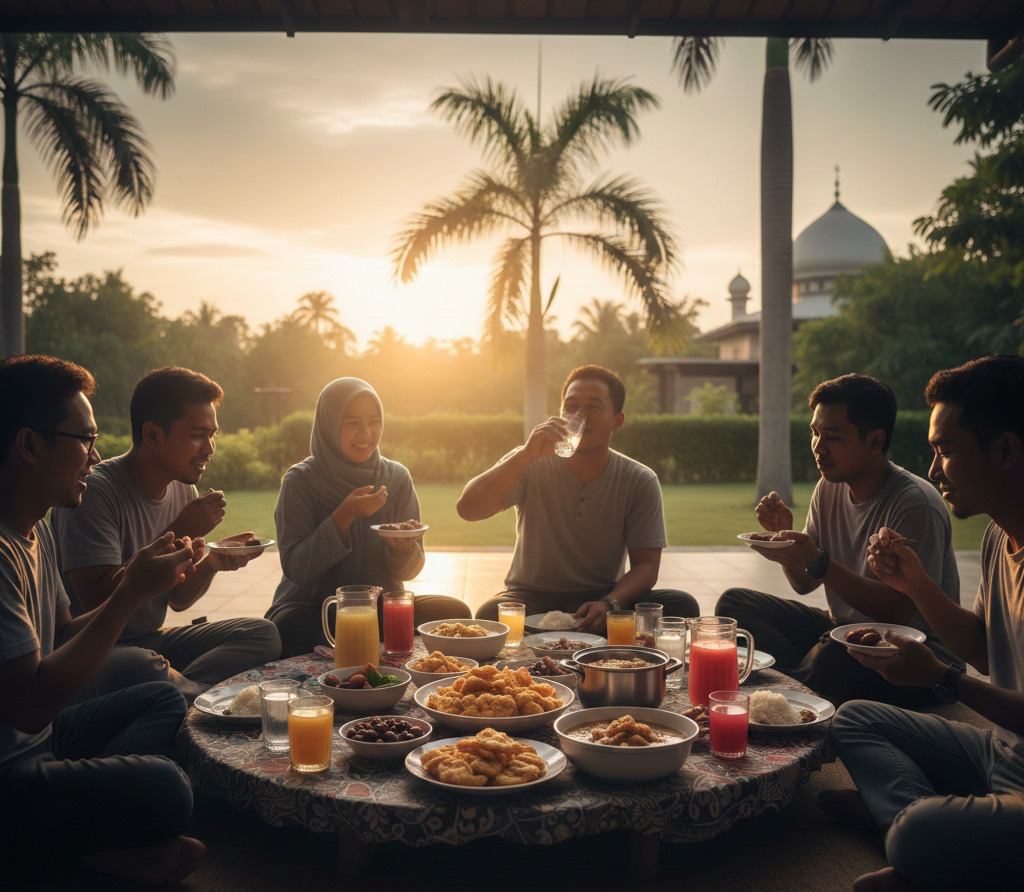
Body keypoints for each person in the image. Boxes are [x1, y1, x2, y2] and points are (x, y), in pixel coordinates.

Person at [0, 354, 206, 885]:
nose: (94, 456)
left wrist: (143, 583)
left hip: (45, 738)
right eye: (84, 440)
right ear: (28, 444)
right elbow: (30, 705)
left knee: (163, 698)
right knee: (168, 787)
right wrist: (130, 591)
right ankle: (73, 847)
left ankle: (92, 828)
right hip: (10, 769)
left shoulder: (36, 528)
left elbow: (66, 633)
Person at [822, 355, 1024, 892]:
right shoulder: (1000, 537)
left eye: (946, 450)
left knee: (917, 835)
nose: (934, 469)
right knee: (854, 718)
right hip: (1001, 749)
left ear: (1005, 450)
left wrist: (943, 679)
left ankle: (915, 835)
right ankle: (932, 834)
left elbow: (965, 670)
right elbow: (986, 649)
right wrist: (913, 583)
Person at [715, 373, 960, 706]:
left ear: (875, 442)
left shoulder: (915, 502)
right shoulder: (828, 487)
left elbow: (899, 613)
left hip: (913, 656)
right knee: (734, 605)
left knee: (831, 657)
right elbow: (804, 584)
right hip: (841, 632)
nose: (818, 447)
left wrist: (818, 561)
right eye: (815, 433)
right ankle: (799, 679)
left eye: (831, 437)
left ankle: (788, 685)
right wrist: (788, 547)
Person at [52, 366, 281, 699]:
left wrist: (214, 562)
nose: (210, 448)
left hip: (150, 642)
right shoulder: (94, 491)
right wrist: (182, 528)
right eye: (197, 435)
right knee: (144, 666)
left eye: (212, 434)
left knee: (262, 634)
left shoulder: (182, 489)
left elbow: (178, 598)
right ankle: (194, 696)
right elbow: (97, 601)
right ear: (153, 434)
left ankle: (182, 691)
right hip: (97, 650)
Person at [459, 364, 699, 631]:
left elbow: (646, 566)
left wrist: (610, 602)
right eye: (570, 407)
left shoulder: (639, 479)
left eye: (593, 407)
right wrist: (525, 455)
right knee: (490, 614)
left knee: (680, 605)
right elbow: (468, 509)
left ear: (617, 421)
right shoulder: (529, 460)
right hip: (531, 596)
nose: (578, 416)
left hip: (602, 598)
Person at [266, 377, 471, 657]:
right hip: (318, 609)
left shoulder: (396, 478)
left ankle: (360, 644)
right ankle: (364, 646)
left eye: (374, 422)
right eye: (352, 423)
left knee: (454, 612)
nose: (366, 434)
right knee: (287, 627)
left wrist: (404, 549)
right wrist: (344, 515)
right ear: (330, 425)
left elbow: (409, 572)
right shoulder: (301, 481)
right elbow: (297, 568)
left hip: (383, 607)